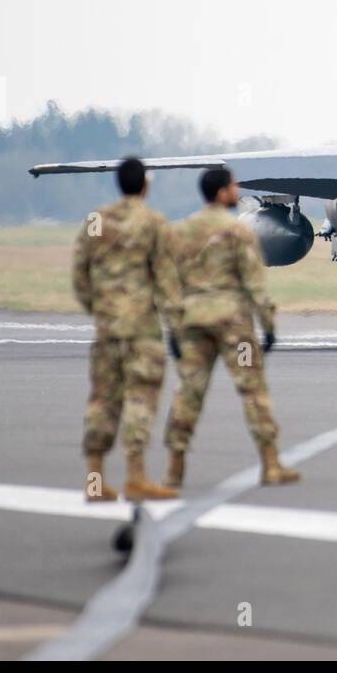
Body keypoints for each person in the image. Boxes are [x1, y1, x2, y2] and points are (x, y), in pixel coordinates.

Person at [162, 168, 299, 491]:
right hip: (233, 325)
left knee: (187, 394)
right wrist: (268, 325)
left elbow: (169, 284)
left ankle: (174, 469)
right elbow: (254, 285)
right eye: (233, 186)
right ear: (222, 192)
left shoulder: (182, 231)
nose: (236, 190)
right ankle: (271, 464)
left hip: (194, 324)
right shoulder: (239, 232)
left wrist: (172, 328)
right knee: (253, 394)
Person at [72, 157, 184, 502]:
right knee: (140, 399)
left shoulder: (95, 221)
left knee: (102, 401)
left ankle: (94, 480)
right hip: (142, 332)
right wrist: (177, 327)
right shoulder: (154, 224)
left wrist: (99, 309)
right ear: (145, 186)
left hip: (107, 330)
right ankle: (135, 476)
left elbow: (80, 274)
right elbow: (167, 281)